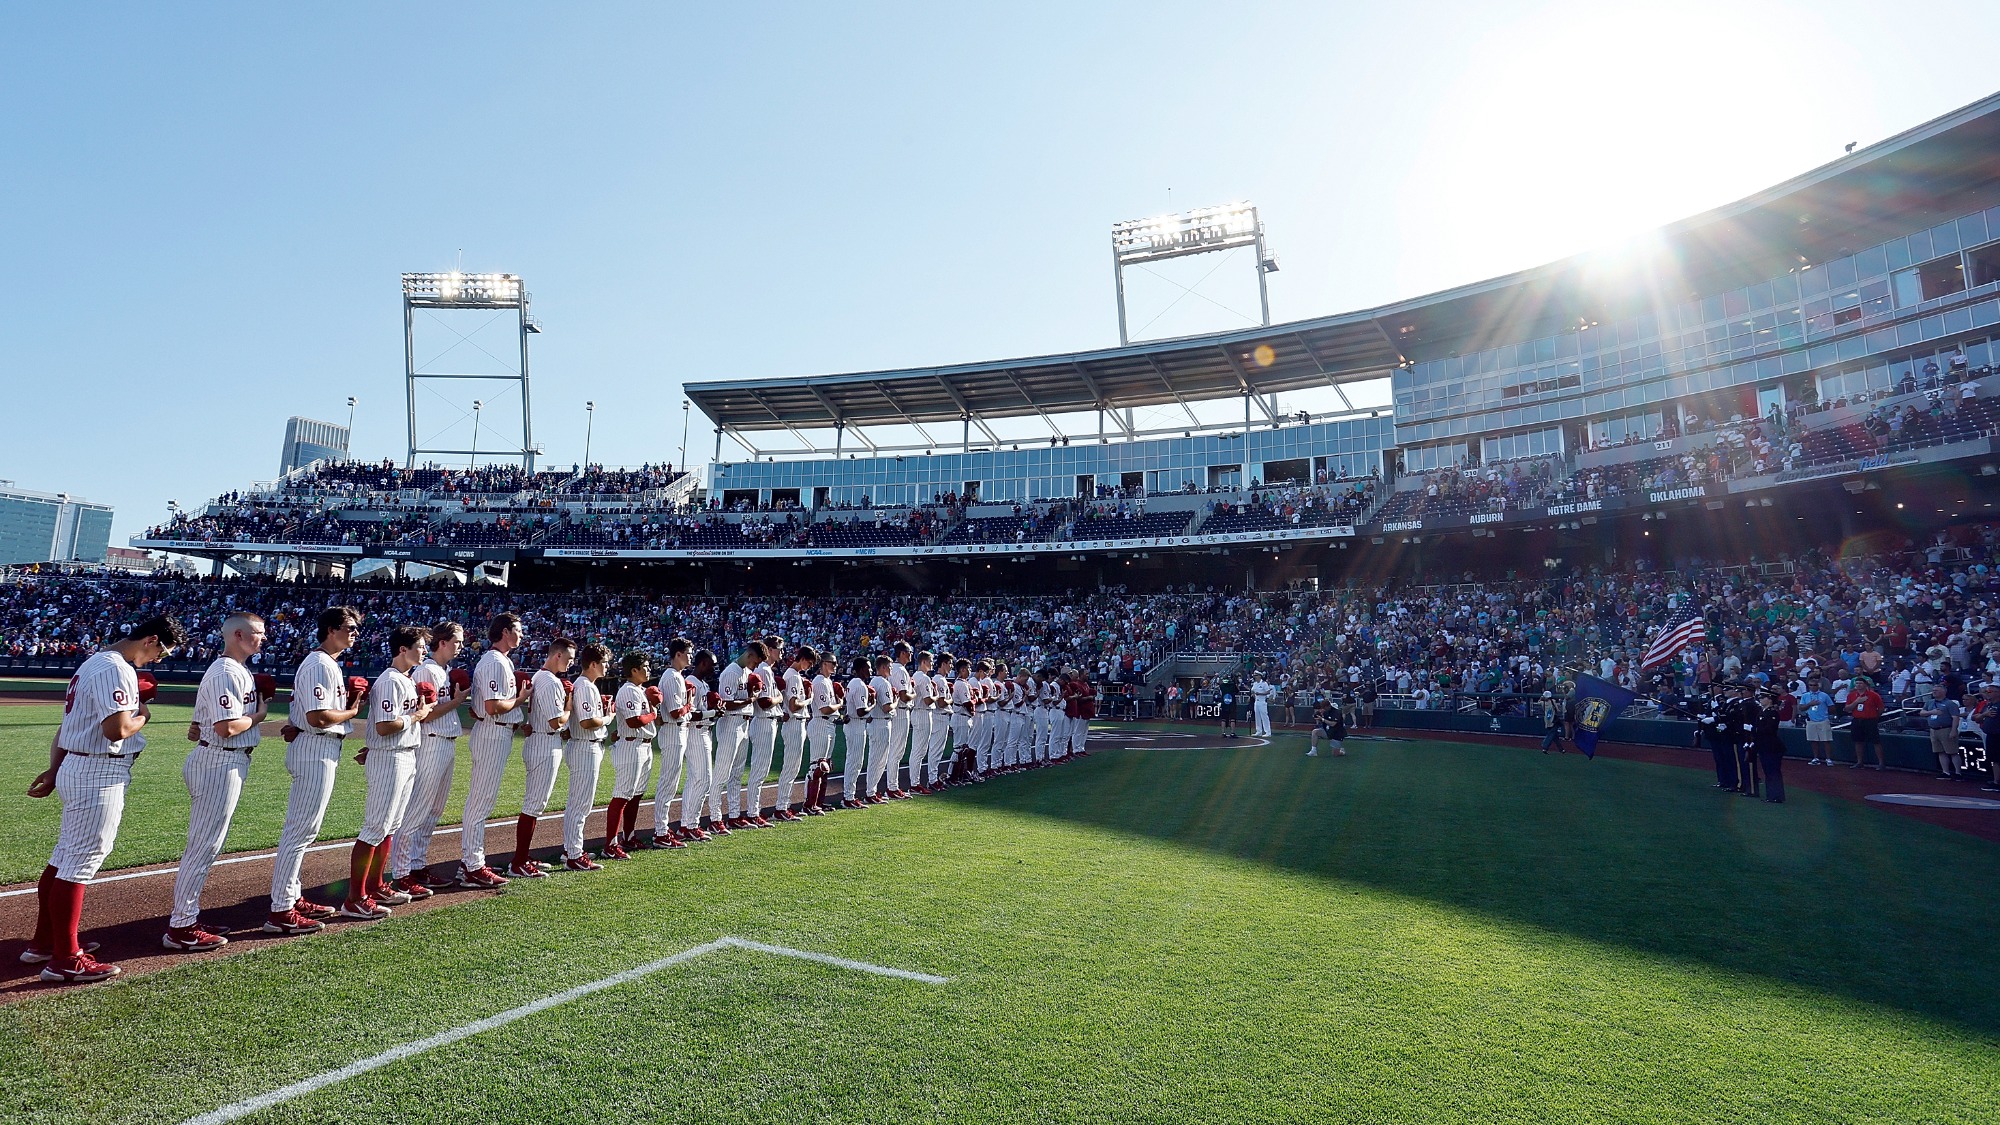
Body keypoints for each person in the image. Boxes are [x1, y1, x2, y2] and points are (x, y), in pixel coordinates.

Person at [26, 614, 185, 983]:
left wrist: (54, 770)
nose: (159, 659)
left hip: (79, 764)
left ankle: (45, 943)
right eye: (161, 651)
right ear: (150, 639)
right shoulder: (116, 668)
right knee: (80, 862)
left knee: (64, 856)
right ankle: (65, 958)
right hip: (98, 770)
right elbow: (117, 729)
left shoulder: (94, 662)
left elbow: (66, 728)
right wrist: (143, 714)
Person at [165, 612, 268, 953]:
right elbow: (226, 727)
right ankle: (181, 926)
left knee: (207, 844)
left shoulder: (232, 670)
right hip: (219, 759)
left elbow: (196, 726)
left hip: (220, 757)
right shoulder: (226, 671)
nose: (263, 638)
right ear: (238, 635)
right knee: (203, 846)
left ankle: (188, 916)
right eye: (257, 633)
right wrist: (259, 715)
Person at [268, 606, 367, 932]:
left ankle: (292, 896)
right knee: (300, 831)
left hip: (317, 745)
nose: (355, 633)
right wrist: (351, 710)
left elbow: (305, 715)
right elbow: (318, 718)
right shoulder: (319, 663)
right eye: (350, 627)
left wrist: (296, 724)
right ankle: (281, 910)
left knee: (304, 830)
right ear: (330, 629)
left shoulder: (327, 664)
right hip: (315, 747)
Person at [346, 624, 438, 919]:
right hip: (390, 758)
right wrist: (418, 716)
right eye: (421, 646)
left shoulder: (406, 680)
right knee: (375, 826)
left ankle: (376, 885)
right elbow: (384, 727)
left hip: (405, 755)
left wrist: (416, 716)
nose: (424, 651)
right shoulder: (390, 680)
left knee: (390, 827)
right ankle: (355, 898)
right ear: (403, 649)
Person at [389, 620, 470, 897]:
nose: (461, 646)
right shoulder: (427, 670)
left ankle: (417, 864)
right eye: (457, 641)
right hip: (431, 741)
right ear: (443, 642)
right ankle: (402, 872)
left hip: (446, 742)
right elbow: (428, 715)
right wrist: (458, 701)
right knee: (417, 811)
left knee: (434, 810)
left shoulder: (443, 671)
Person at [458, 613, 527, 889]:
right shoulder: (495, 661)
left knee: (483, 799)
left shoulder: (502, 661)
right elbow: (492, 707)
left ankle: (473, 861)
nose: (521, 635)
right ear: (506, 631)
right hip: (493, 730)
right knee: (481, 800)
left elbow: (478, 708)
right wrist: (521, 699)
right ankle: (472, 865)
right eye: (518, 630)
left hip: (497, 731)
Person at [509, 638, 576, 878]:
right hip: (545, 742)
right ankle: (518, 862)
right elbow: (556, 722)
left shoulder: (540, 677)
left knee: (535, 803)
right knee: (534, 804)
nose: (571, 663)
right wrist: (569, 706)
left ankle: (523, 857)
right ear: (557, 655)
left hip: (538, 739)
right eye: (568, 658)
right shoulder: (549, 680)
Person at [560, 643, 613, 870]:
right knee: (580, 803)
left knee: (580, 802)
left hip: (586, 746)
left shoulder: (587, 685)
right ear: (593, 664)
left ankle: (572, 849)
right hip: (584, 746)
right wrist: (608, 718)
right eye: (604, 663)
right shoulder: (585, 685)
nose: (607, 667)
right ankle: (573, 854)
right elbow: (587, 722)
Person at [648, 638, 700, 845]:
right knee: (668, 783)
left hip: (677, 731)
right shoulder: (672, 677)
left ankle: (663, 829)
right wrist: (690, 703)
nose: (690, 656)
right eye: (688, 653)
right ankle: (661, 832)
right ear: (678, 654)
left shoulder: (677, 676)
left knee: (671, 782)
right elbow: (676, 712)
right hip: (672, 730)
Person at [607, 650, 659, 858]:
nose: (649, 670)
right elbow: (633, 721)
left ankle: (628, 838)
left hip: (644, 745)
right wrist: (654, 712)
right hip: (631, 746)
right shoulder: (628, 690)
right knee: (622, 796)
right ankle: (610, 845)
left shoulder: (640, 690)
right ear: (634, 670)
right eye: (645, 667)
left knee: (635, 796)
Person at [716, 641, 763, 828]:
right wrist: (751, 699)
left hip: (744, 723)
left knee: (736, 774)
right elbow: (726, 703)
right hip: (730, 723)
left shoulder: (746, 673)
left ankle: (734, 815)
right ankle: (715, 818)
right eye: (756, 661)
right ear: (749, 655)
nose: (757, 666)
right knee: (722, 774)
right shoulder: (731, 672)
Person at [774, 645, 814, 815]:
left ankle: (785, 805)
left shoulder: (793, 675)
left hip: (795, 723)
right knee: (791, 766)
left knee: (792, 766)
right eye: (809, 663)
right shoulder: (794, 676)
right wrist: (809, 700)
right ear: (803, 659)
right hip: (794, 722)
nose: (810, 667)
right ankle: (782, 806)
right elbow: (793, 705)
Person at [805, 650, 839, 811]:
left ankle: (818, 801)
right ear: (824, 664)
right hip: (820, 723)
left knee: (826, 765)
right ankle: (809, 803)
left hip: (829, 723)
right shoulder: (819, 681)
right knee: (816, 766)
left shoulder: (828, 681)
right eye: (833, 663)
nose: (836, 666)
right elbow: (825, 709)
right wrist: (840, 704)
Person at [841, 655, 875, 807]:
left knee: (853, 761)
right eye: (868, 667)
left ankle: (849, 795)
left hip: (853, 722)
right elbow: (861, 711)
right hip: (856, 724)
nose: (870, 670)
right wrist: (872, 705)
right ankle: (849, 797)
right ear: (861, 669)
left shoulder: (853, 683)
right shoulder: (860, 685)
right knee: (855, 762)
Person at [867, 655, 898, 799]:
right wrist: (896, 701)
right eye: (890, 666)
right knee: (878, 760)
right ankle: (871, 792)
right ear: (884, 667)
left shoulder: (874, 680)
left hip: (876, 721)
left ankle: (872, 791)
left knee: (876, 759)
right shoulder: (883, 683)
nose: (891, 669)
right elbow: (887, 707)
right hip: (881, 722)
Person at [1694, 688, 1736, 790]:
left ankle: (1728, 781)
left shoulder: (1721, 700)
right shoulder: (1712, 699)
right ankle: (1722, 780)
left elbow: (1722, 716)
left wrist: (1713, 715)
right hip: (1712, 732)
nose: (1709, 688)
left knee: (1723, 758)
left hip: (1719, 733)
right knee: (1719, 759)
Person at [1921, 682, 1963, 779]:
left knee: (1952, 752)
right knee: (1940, 752)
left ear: (1943, 692)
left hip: (1946, 729)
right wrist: (1932, 712)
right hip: (1933, 730)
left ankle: (1958, 773)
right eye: (1933, 690)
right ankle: (1946, 772)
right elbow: (1922, 713)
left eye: (1936, 691)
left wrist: (1953, 730)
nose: (1934, 692)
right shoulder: (1930, 702)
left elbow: (1955, 718)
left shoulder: (1950, 703)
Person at [1753, 686, 1788, 804]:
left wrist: (1755, 729)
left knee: (1773, 771)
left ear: (1770, 699)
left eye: (1763, 697)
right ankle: (1771, 795)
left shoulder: (1772, 713)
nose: (1761, 699)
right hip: (1764, 745)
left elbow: (1769, 729)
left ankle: (1776, 796)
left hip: (1772, 746)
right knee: (1768, 771)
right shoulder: (1762, 712)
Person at [1847, 674, 1885, 769]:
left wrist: (1875, 716)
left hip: (1870, 720)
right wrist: (1857, 702)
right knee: (1858, 741)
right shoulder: (1851, 695)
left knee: (1876, 741)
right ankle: (1859, 762)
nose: (1858, 685)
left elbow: (1880, 708)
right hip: (1857, 720)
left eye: (1860, 683)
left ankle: (1881, 763)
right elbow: (1847, 708)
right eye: (1857, 683)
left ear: (1865, 684)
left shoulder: (1874, 695)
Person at [1799, 677, 1834, 765]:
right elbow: (1801, 708)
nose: (1813, 687)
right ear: (1808, 686)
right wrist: (1810, 704)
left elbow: (1832, 707)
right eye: (1811, 685)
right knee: (1813, 740)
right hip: (1811, 721)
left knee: (1826, 740)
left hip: (1823, 720)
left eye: (1815, 685)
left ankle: (1828, 759)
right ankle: (1816, 758)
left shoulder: (1824, 695)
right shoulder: (1805, 695)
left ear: (1818, 686)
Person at [1251, 672, 1274, 737]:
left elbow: (1268, 691)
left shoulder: (1264, 683)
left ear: (1260, 676)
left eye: (1256, 675)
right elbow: (1252, 690)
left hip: (1262, 701)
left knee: (1264, 717)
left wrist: (1260, 694)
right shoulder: (1255, 684)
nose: (1255, 677)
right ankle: (1259, 731)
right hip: (1256, 701)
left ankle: (1268, 732)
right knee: (1257, 717)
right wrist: (1253, 694)